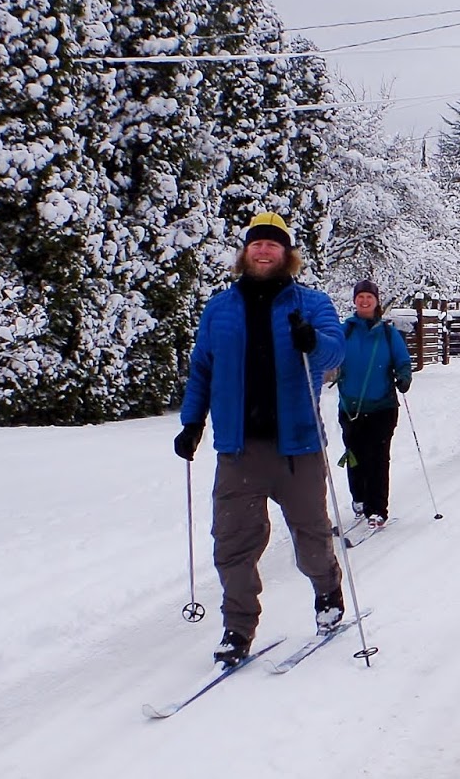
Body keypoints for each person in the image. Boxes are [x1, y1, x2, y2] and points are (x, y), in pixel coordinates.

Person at [174, 212, 347, 667]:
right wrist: (192, 422)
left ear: (288, 254)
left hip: (298, 446)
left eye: (273, 245)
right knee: (232, 543)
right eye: (257, 244)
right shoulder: (220, 308)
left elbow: (336, 349)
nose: (264, 251)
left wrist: (312, 341)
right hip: (239, 449)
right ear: (245, 252)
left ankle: (327, 590)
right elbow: (202, 369)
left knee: (311, 537)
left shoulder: (310, 303)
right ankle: (238, 627)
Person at [336, 279, 413, 530]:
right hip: (350, 407)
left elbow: (403, 361)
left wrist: (403, 377)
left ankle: (377, 508)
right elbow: (329, 358)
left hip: (382, 407)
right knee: (354, 455)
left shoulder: (388, 333)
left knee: (378, 458)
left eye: (369, 297)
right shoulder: (343, 331)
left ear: (377, 301)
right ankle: (358, 498)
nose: (365, 301)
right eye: (361, 297)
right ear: (354, 300)